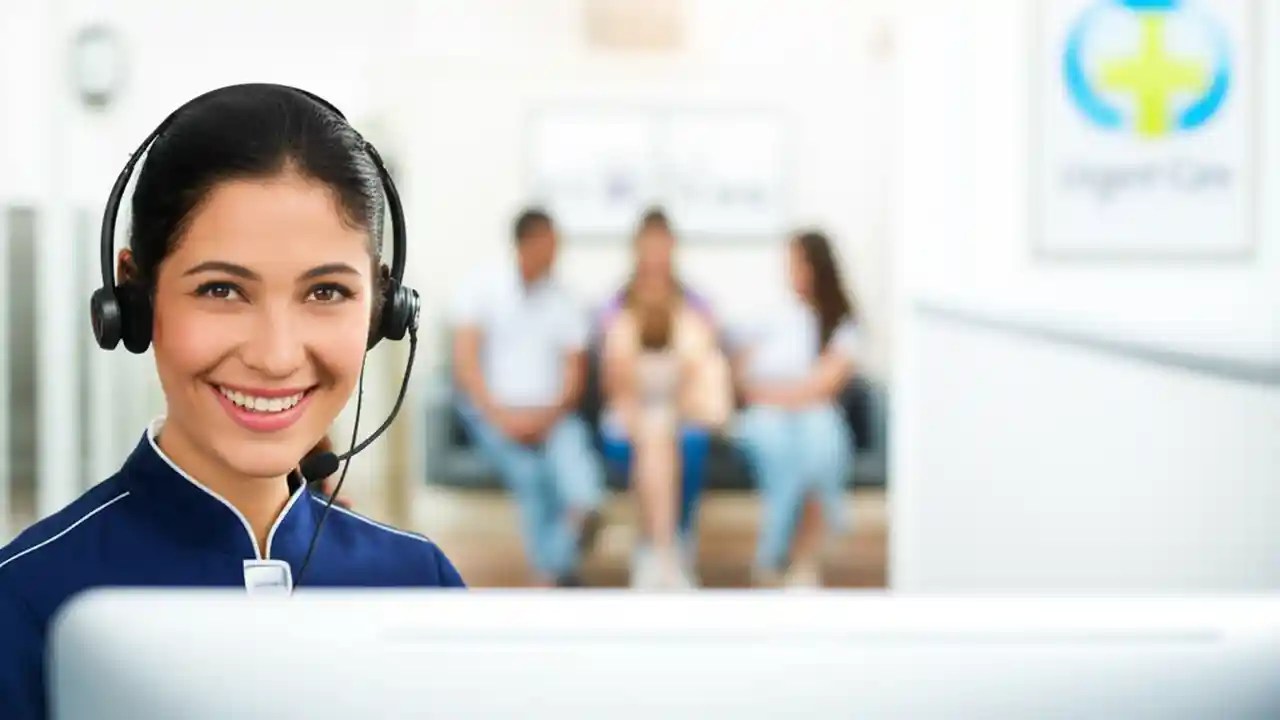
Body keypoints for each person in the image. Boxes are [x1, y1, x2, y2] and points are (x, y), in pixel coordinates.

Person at [0, 84, 465, 720]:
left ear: (383, 310)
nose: (276, 356)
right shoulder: (25, 598)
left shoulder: (421, 583)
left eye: (326, 292)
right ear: (133, 301)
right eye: (221, 289)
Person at [450, 208, 605, 587]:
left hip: (553, 416)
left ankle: (551, 568)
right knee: (531, 477)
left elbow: (575, 374)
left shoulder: (566, 299)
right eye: (547, 244)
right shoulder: (481, 288)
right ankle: (554, 574)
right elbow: (466, 365)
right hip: (492, 413)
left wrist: (546, 417)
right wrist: (502, 417)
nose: (553, 254)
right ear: (523, 243)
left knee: (583, 489)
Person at [598, 210, 730, 588]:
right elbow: (616, 383)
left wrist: (674, 411)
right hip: (630, 414)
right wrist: (643, 417)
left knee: (677, 439)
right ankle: (664, 549)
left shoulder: (697, 308)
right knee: (652, 438)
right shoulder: (615, 309)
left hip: (682, 412)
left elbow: (702, 374)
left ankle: (659, 548)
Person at [729, 230, 859, 589]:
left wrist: (769, 394)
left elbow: (822, 387)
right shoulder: (770, 315)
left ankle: (794, 559)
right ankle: (780, 558)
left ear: (817, 266)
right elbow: (739, 376)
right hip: (766, 415)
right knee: (780, 449)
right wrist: (761, 393)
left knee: (821, 443)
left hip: (810, 410)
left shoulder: (840, 324)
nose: (791, 272)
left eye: (798, 263)